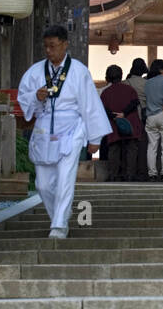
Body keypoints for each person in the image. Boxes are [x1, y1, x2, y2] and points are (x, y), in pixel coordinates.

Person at [18, 24, 111, 238]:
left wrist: (94, 138)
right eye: (46, 47)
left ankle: (59, 225)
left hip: (72, 128)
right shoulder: (35, 72)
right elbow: (24, 99)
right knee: (42, 184)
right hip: (44, 126)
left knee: (64, 178)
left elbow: (90, 104)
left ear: (65, 44)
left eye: (53, 46)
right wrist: (36, 97)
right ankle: (60, 215)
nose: (49, 51)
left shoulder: (78, 71)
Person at [99, 64, 141, 182]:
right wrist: (124, 113)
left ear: (108, 77)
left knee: (114, 149)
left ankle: (113, 174)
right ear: (121, 75)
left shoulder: (106, 93)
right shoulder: (130, 90)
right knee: (131, 149)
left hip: (113, 123)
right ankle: (130, 174)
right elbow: (135, 103)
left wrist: (114, 116)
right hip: (130, 121)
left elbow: (103, 109)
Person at [142, 59, 163, 181]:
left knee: (152, 146)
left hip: (150, 116)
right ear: (161, 69)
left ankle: (152, 174)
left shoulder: (147, 83)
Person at [126, 58, 150, 181]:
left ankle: (130, 172)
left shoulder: (126, 83)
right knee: (143, 146)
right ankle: (142, 172)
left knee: (130, 146)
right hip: (144, 117)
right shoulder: (147, 84)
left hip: (130, 116)